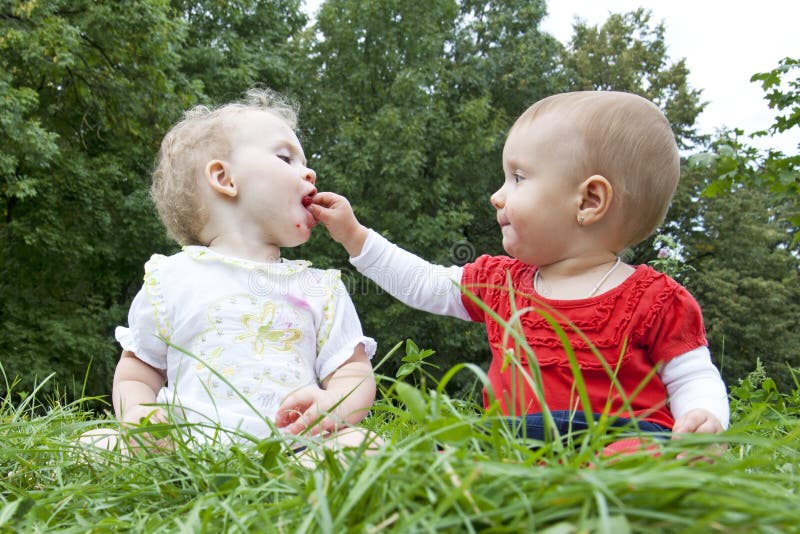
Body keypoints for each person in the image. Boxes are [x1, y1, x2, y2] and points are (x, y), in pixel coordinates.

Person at [309, 91, 729, 443]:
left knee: (640, 458)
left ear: (588, 202)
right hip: (510, 444)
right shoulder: (502, 282)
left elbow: (692, 377)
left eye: (519, 178)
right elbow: (425, 282)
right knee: (444, 458)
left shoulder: (656, 299)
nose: (497, 195)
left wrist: (704, 419)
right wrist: (356, 237)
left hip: (620, 442)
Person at [81, 89, 378, 455]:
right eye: (286, 157)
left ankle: (293, 475)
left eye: (305, 162)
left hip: (294, 446)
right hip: (182, 448)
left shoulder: (320, 288)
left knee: (366, 446)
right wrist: (140, 417)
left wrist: (334, 407)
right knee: (94, 444)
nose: (310, 171)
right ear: (225, 177)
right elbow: (137, 373)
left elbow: (352, 374)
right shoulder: (172, 279)